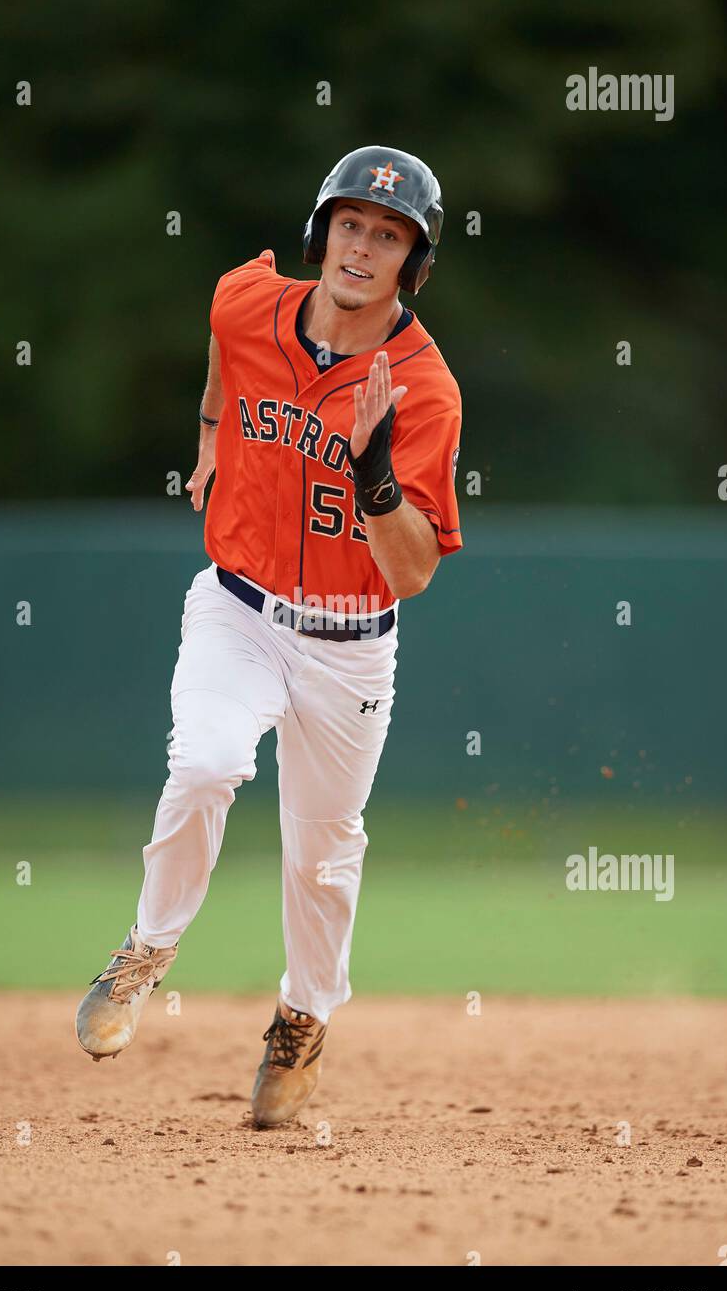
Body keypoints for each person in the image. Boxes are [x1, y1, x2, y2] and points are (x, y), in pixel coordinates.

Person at [75, 145, 463, 1128]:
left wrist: (375, 473)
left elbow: (412, 568)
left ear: (411, 263)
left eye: (387, 235)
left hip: (349, 641)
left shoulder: (424, 388)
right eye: (349, 224)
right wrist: (210, 430)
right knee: (204, 764)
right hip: (237, 608)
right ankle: (146, 951)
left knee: (322, 855)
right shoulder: (250, 305)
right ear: (320, 231)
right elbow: (222, 336)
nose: (361, 247)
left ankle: (301, 1018)